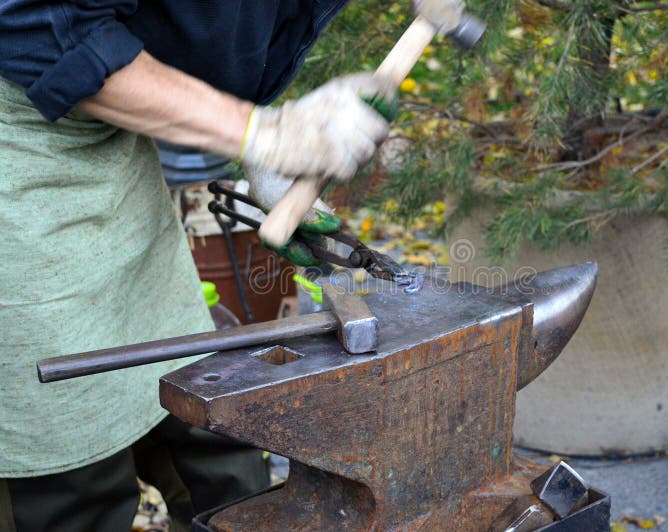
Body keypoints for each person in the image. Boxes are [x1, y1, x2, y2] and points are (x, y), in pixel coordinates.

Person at [0, 1, 393, 530]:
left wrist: (260, 139)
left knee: (217, 438)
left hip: (109, 147)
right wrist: (260, 132)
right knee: (75, 478)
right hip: (17, 166)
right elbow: (37, 27)